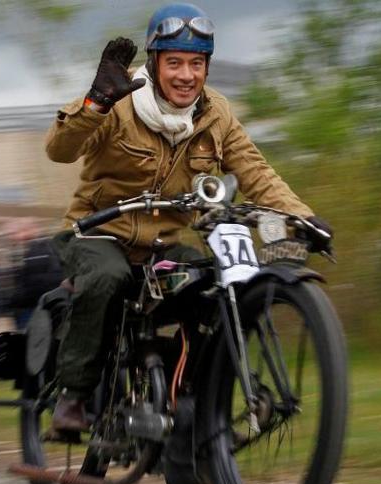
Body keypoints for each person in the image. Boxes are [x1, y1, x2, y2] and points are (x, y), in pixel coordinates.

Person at [44, 2, 332, 432]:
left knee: (214, 291)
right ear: (155, 62)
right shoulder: (120, 98)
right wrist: (96, 102)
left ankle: (188, 410)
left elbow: (255, 171)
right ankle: (74, 395)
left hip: (162, 246)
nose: (185, 75)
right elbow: (59, 150)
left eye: (196, 63)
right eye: (174, 62)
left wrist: (302, 218)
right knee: (108, 278)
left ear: (207, 68)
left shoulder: (217, 113)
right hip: (97, 232)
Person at [9, 220, 63, 331]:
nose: (13, 236)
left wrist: (19, 298)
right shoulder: (29, 249)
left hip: (34, 305)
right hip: (31, 304)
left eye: (15, 233)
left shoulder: (39, 249)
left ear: (28, 231)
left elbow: (35, 280)